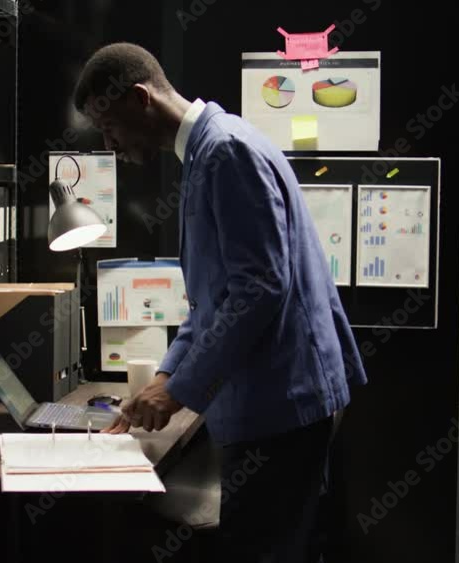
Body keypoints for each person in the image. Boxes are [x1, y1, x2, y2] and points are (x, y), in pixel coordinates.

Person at [72, 42, 367, 562]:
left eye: (109, 126)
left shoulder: (225, 151)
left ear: (140, 98)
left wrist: (179, 391)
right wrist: (167, 376)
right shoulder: (208, 151)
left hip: (280, 406)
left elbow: (260, 288)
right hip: (275, 402)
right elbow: (214, 302)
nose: (109, 144)